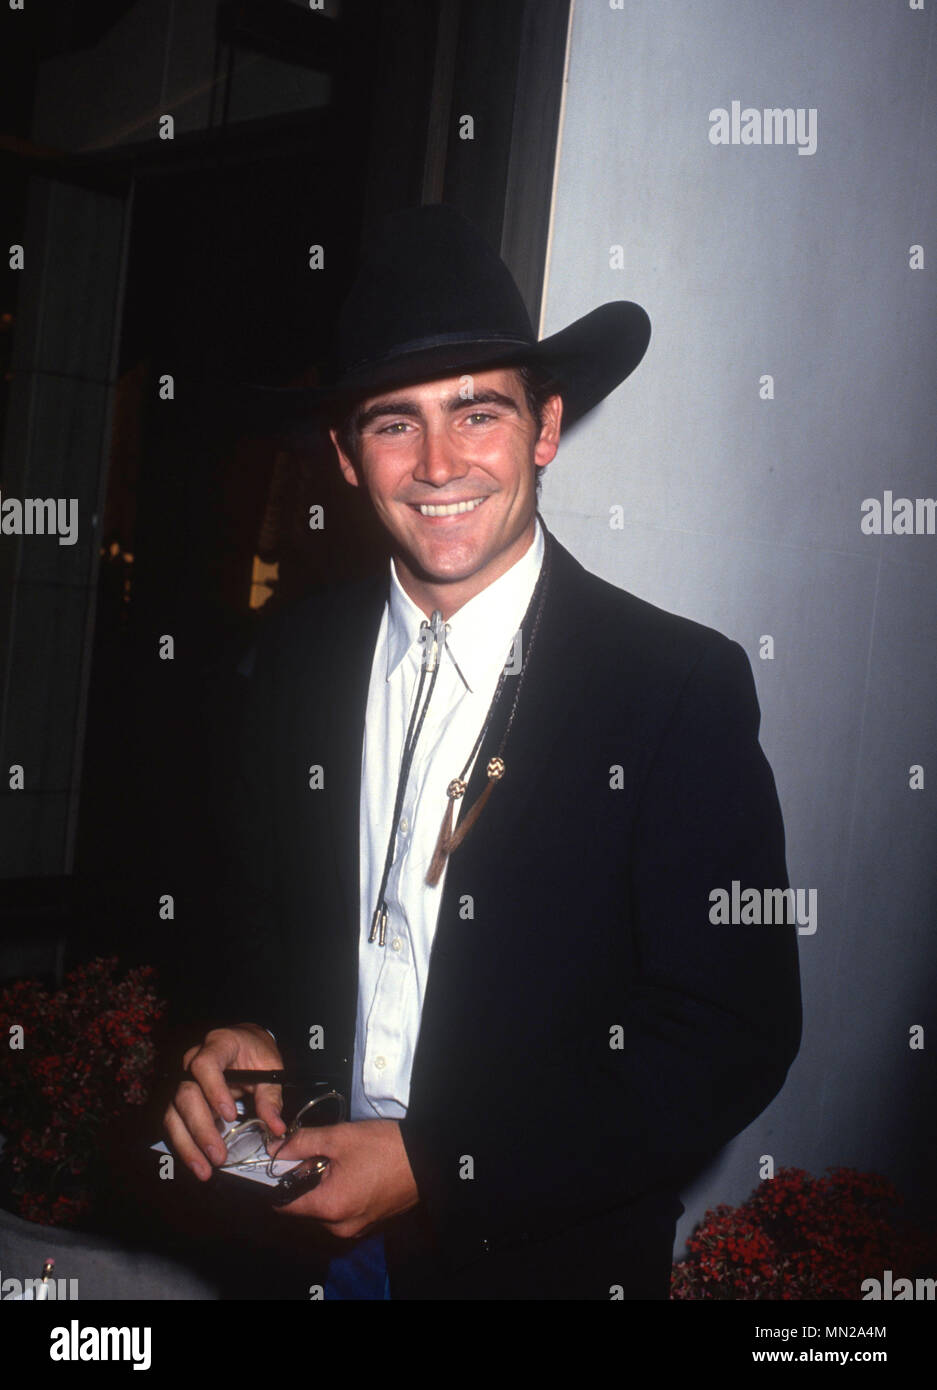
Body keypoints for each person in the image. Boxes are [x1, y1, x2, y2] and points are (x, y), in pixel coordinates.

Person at [163, 204, 802, 1300]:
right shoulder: (291, 662)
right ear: (346, 458)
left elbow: (729, 1031)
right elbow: (252, 921)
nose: (439, 463)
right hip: (294, 1251)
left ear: (545, 427)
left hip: (536, 1266)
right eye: (393, 422)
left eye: (477, 412)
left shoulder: (671, 688)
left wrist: (436, 1161)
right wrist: (245, 1038)